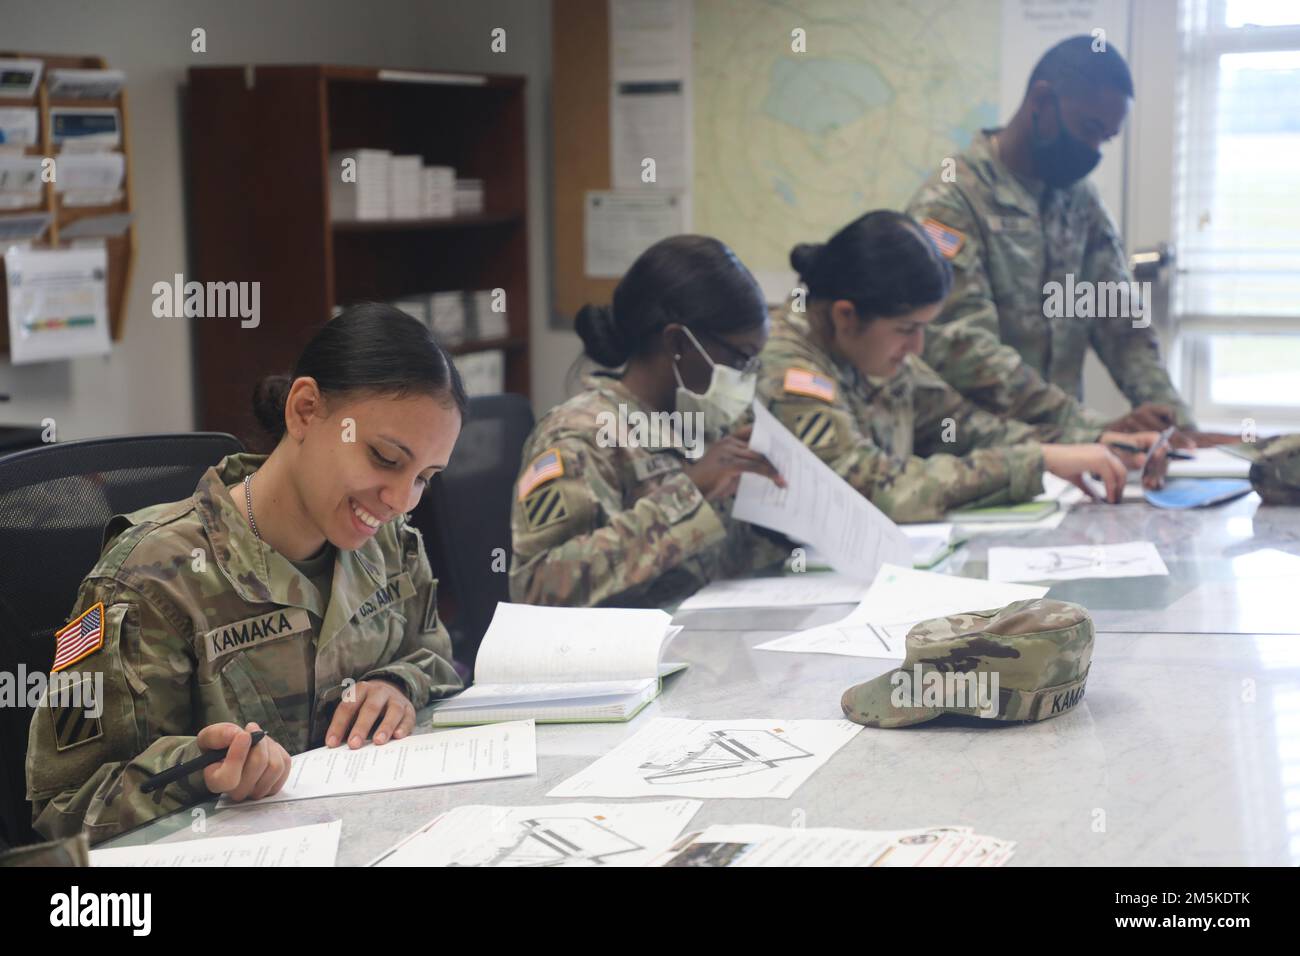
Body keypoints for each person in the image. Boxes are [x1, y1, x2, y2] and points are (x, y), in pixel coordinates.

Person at [26, 304, 465, 844]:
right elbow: (64, 813)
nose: (401, 500)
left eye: (426, 477)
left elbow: (441, 663)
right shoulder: (147, 580)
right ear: (305, 410)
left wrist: (399, 684)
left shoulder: (392, 546)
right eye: (384, 458)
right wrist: (199, 770)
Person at [758, 211, 1167, 523]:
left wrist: (1095, 441)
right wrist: (1035, 461)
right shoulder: (786, 369)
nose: (917, 347)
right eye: (907, 329)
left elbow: (964, 427)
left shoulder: (863, 347)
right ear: (846, 315)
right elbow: (875, 489)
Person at [906, 35, 1212, 443]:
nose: (1093, 149)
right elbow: (960, 349)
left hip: (1073, 455)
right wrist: (1088, 425)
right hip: (975, 453)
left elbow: (1121, 325)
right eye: (1088, 129)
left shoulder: (1078, 200)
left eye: (1105, 137)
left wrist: (1178, 428)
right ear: (1041, 101)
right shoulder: (951, 201)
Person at [510, 235, 789, 608]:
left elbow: (724, 562)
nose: (747, 376)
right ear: (678, 343)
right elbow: (540, 590)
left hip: (718, 639)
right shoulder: (580, 437)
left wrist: (784, 513)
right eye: (740, 359)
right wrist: (689, 491)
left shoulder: (707, 423)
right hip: (629, 659)